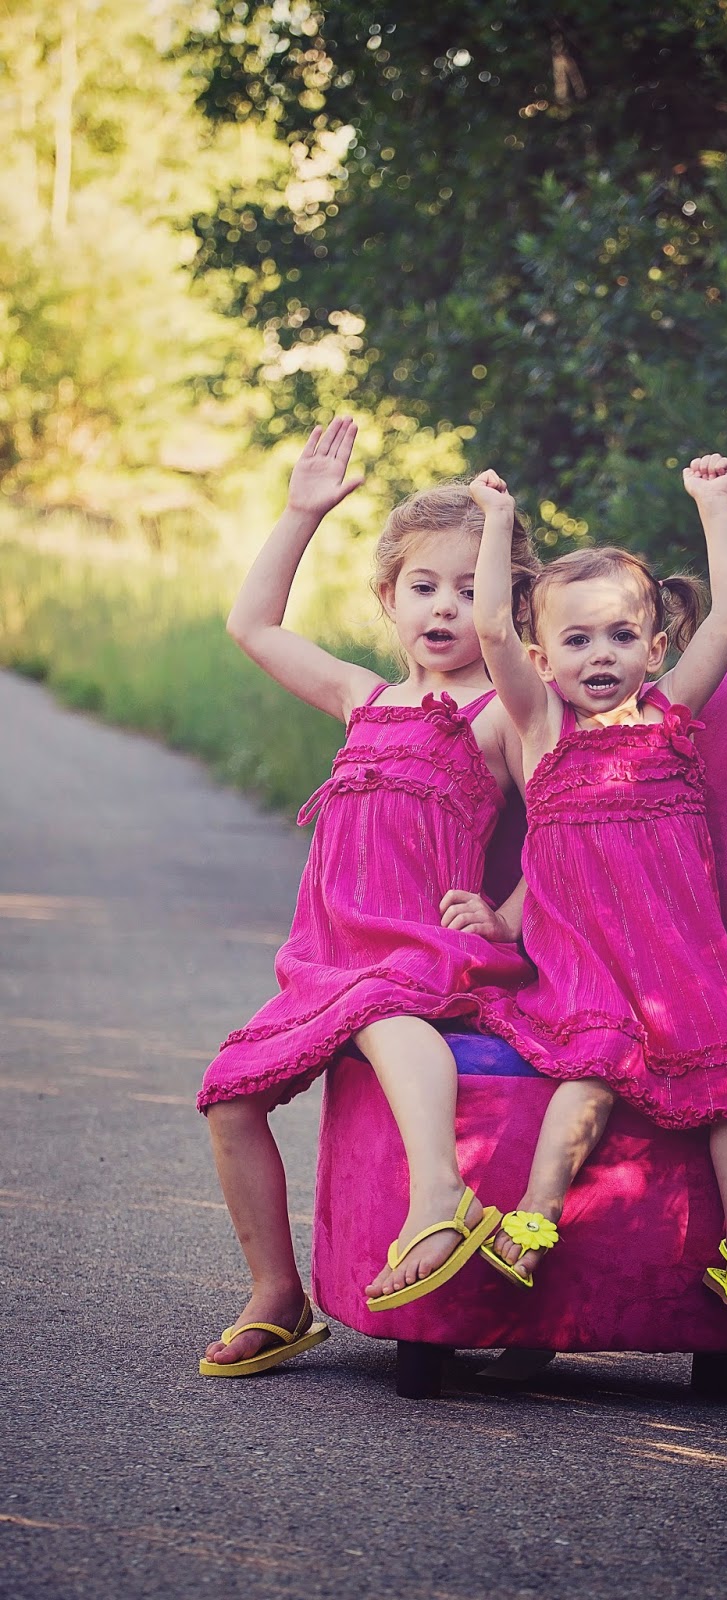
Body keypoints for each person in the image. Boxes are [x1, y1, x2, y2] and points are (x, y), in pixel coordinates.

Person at [198, 417, 538, 1377]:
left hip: (417, 953)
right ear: (388, 599)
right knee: (228, 1100)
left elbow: (567, 828)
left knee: (389, 1019)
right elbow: (252, 626)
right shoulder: (362, 697)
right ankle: (278, 1293)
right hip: (325, 959)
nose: (444, 610)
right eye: (424, 588)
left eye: (472, 593)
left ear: (507, 607)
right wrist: (302, 511)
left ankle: (443, 1196)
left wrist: (504, 916)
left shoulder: (500, 716)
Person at [469, 455, 727, 1320]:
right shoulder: (540, 726)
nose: (600, 655)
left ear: (655, 649)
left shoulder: (669, 720)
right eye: (577, 641)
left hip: (681, 968)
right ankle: (533, 1220)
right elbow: (493, 636)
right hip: (588, 967)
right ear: (546, 659)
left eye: (621, 637)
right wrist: (498, 526)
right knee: (593, 1072)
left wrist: (714, 502)